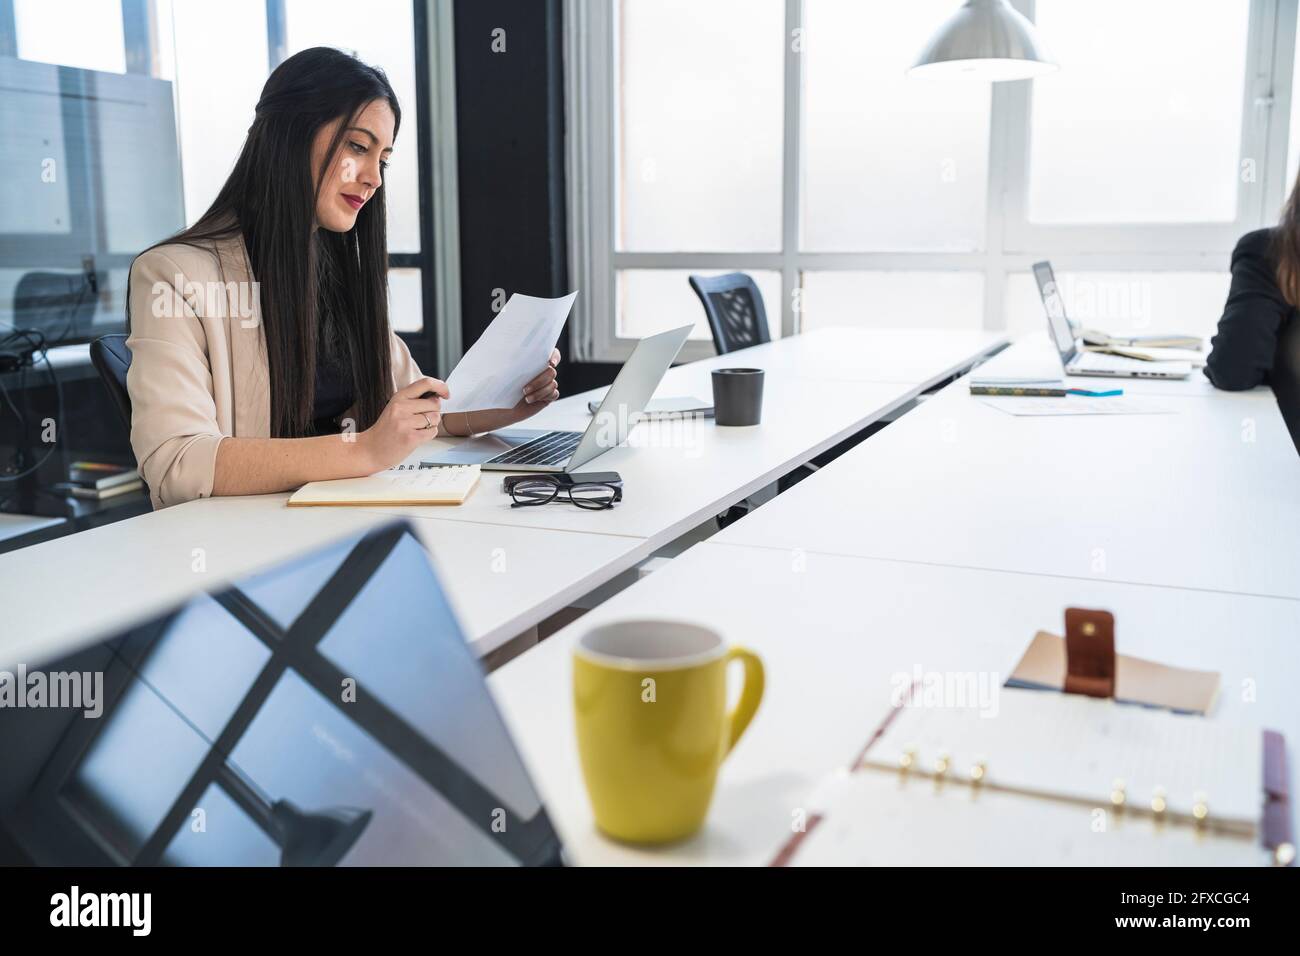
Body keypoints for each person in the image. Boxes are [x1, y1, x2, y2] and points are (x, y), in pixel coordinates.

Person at [126, 47, 559, 508]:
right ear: (290, 134)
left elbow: (415, 415)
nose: (373, 177)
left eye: (383, 159)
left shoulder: (333, 266)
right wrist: (365, 449)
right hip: (245, 544)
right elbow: (177, 462)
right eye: (357, 147)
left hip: (342, 521)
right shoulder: (173, 276)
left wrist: (503, 404)